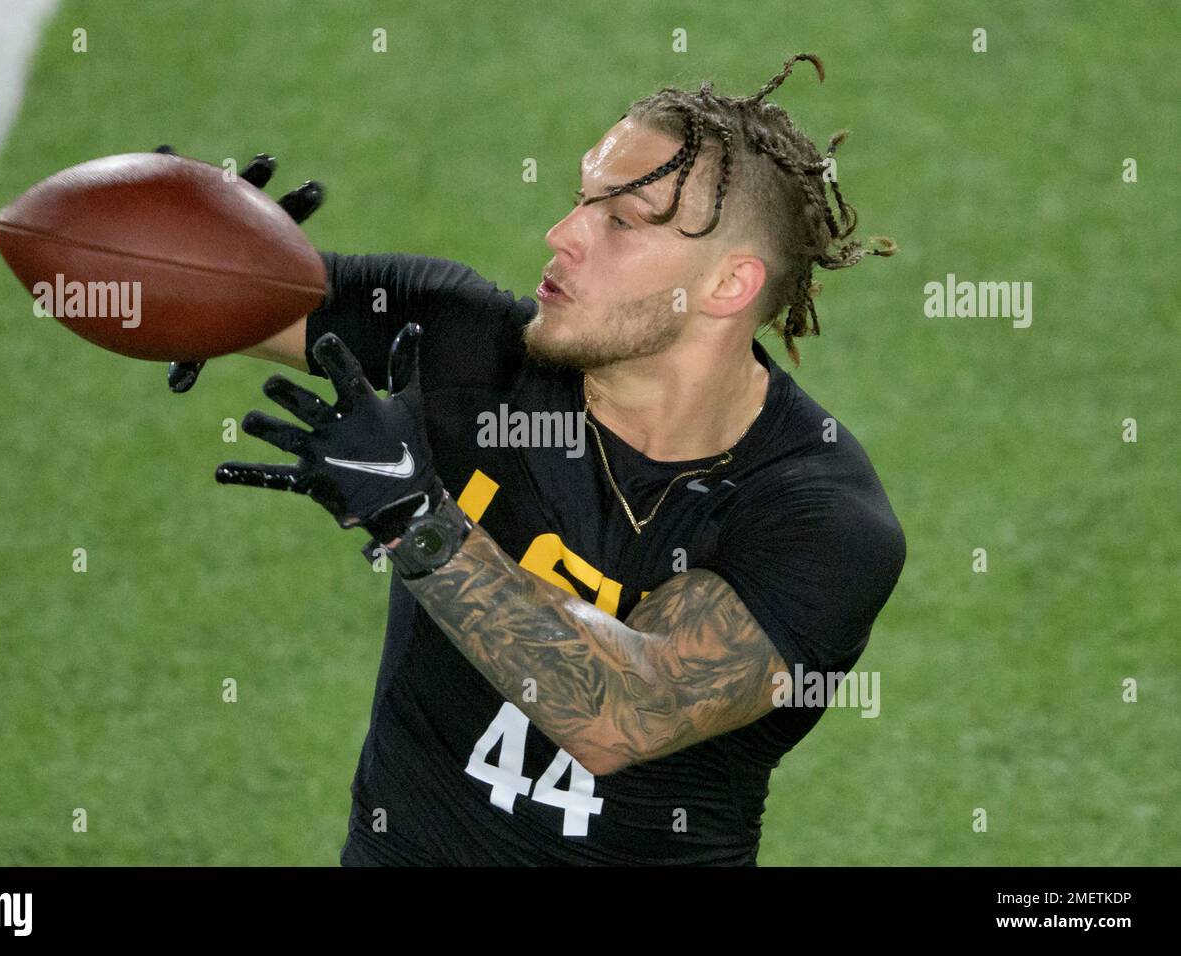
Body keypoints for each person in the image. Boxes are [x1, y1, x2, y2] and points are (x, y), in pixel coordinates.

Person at [181, 53, 905, 865]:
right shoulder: (462, 347)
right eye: (579, 201)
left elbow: (622, 711)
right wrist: (189, 250)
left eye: (622, 221)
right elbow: (159, 283)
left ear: (730, 285)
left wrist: (414, 520)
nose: (562, 236)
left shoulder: (821, 517)